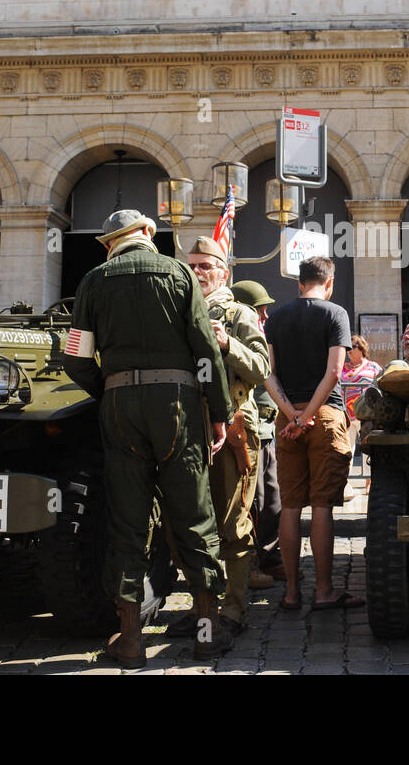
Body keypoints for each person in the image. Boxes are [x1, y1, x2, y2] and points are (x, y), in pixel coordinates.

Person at [62, 209, 235, 667]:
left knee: (127, 517)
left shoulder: (93, 281)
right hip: (178, 405)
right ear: (148, 235)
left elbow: (76, 357)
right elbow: (204, 347)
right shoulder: (180, 273)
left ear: (108, 244)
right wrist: (219, 412)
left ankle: (131, 640)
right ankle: (205, 632)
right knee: (195, 512)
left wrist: (111, 388)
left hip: (119, 406)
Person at [162, 237, 269, 640]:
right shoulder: (176, 313)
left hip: (235, 430)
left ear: (224, 272)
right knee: (185, 522)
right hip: (186, 430)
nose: (199, 272)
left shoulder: (239, 313)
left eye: (207, 265)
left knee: (232, 524)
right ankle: (200, 605)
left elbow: (261, 367)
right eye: (192, 265)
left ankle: (233, 609)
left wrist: (227, 342)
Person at [263, 256, 364, 611]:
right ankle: (324, 591)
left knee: (290, 507)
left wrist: (291, 412)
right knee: (322, 506)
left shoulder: (275, 318)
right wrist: (308, 415)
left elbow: (267, 373)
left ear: (299, 283)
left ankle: (291, 593)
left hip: (287, 418)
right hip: (324, 414)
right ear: (330, 282)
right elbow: (335, 372)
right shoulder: (335, 314)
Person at [232, 279, 285, 589]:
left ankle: (269, 556)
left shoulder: (258, 335)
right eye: (260, 312)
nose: (265, 318)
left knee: (271, 500)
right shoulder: (238, 337)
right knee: (250, 503)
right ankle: (248, 564)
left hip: (268, 428)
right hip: (247, 429)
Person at [341, 335, 381, 421]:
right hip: (345, 414)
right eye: (347, 347)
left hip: (365, 411)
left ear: (362, 348)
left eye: (353, 347)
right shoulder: (341, 368)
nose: (349, 350)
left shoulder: (373, 367)